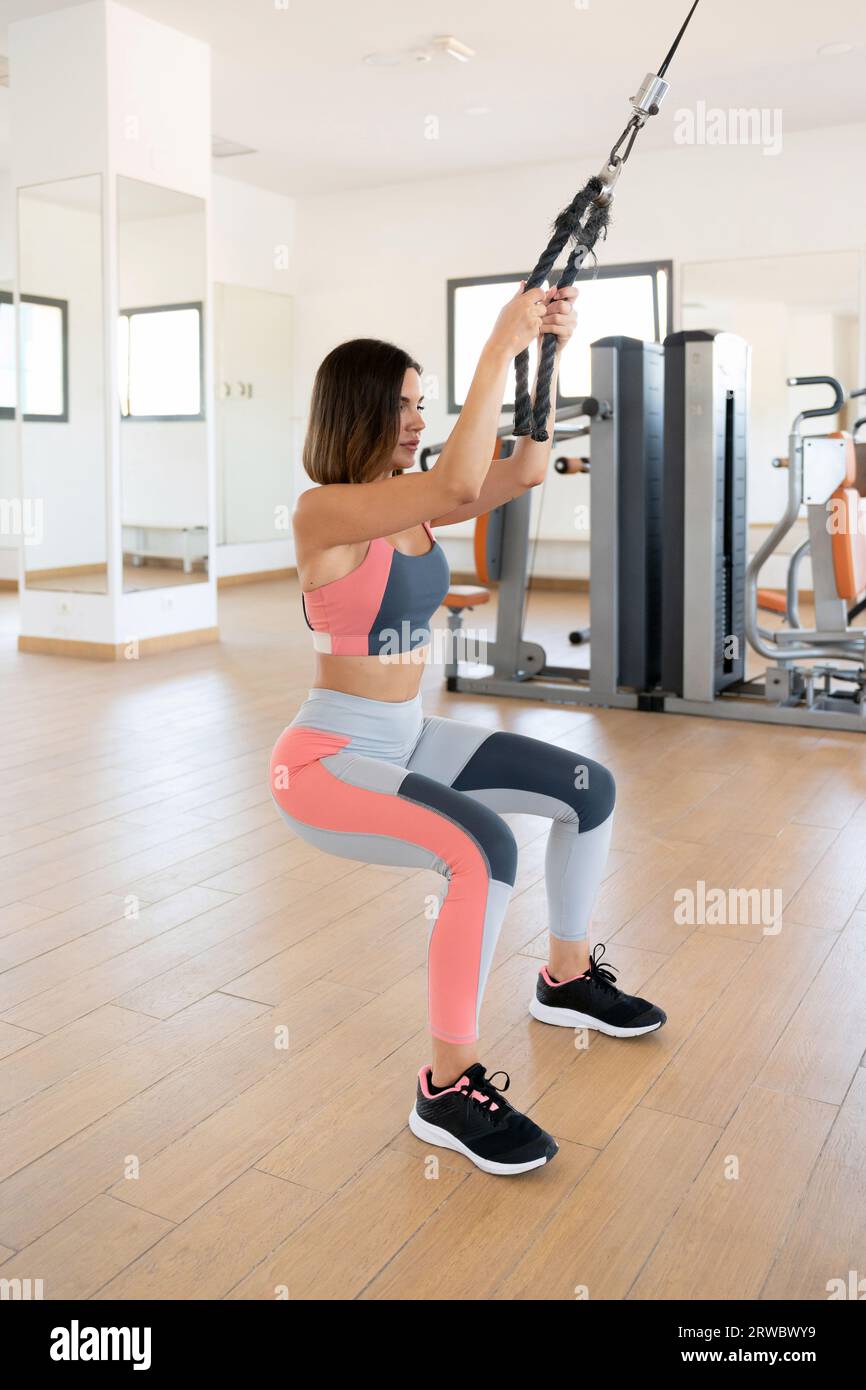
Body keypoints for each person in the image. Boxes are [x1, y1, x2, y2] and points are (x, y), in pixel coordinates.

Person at [270, 283, 666, 1176]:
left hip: (406, 735)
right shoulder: (324, 510)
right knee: (483, 851)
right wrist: (499, 337)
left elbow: (522, 470)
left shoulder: (406, 505)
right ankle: (445, 1089)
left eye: (420, 402)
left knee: (586, 790)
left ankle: (565, 978)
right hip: (329, 761)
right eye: (401, 404)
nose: (416, 418)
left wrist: (545, 354)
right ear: (354, 410)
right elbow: (458, 477)